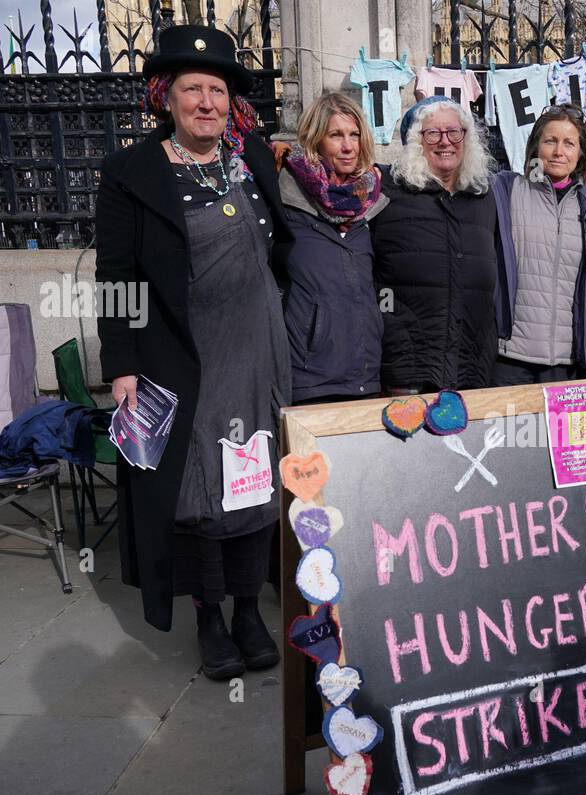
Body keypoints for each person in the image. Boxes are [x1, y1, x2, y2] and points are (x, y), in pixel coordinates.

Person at [95, 25, 291, 680]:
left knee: (257, 484)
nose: (206, 101)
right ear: (166, 98)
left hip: (260, 351)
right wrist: (121, 364)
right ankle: (209, 617)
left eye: (217, 90)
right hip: (186, 356)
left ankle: (247, 611)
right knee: (202, 492)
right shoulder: (131, 174)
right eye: (192, 90)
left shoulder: (255, 157)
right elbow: (117, 275)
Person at [367, 96, 499, 393]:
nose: (445, 142)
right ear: (416, 141)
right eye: (432, 133)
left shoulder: (484, 198)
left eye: (454, 132)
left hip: (471, 368)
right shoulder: (387, 192)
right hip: (406, 368)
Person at [275, 93, 383, 404]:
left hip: (366, 378)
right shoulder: (285, 199)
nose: (348, 146)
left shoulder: (373, 199)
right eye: (336, 135)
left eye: (354, 135)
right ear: (315, 140)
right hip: (310, 381)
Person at [491, 105, 586, 386]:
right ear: (536, 146)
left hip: (564, 362)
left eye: (569, 143)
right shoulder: (508, 190)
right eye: (550, 141)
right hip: (509, 358)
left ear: (580, 153)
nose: (558, 151)